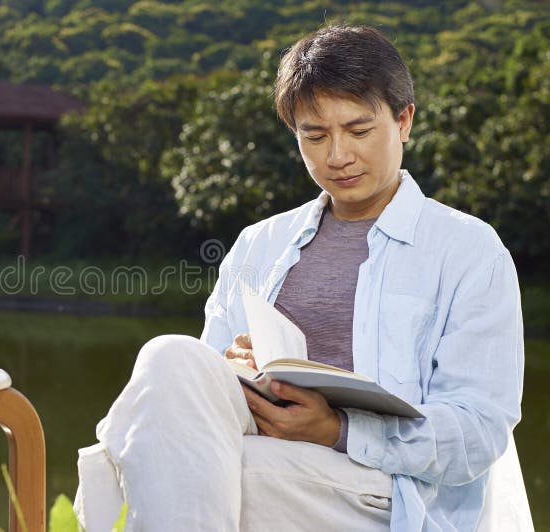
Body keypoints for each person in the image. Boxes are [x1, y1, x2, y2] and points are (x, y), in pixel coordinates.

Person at [74, 25, 531, 531]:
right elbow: (188, 401)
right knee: (170, 356)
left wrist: (336, 429)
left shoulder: (468, 250)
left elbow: (478, 431)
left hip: (382, 491)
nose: (337, 156)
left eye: (358, 131)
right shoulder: (259, 244)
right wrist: (229, 368)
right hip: (260, 449)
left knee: (182, 464)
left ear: (403, 121)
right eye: (314, 135)